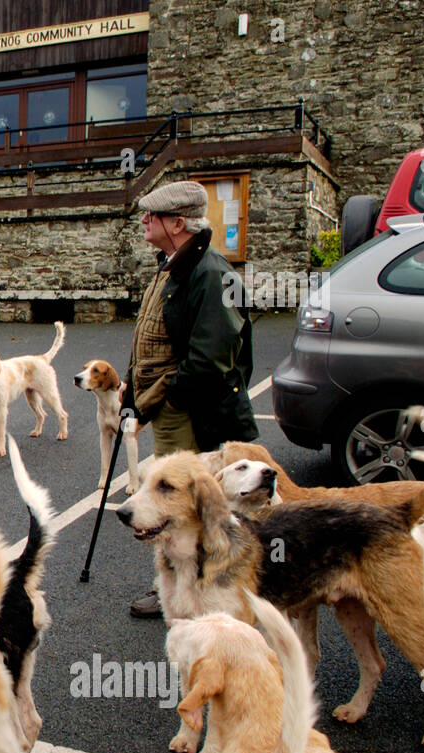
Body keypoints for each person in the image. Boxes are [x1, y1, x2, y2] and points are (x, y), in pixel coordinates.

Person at [123, 180, 258, 618]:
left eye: (152, 216)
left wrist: (159, 397)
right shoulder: (172, 265)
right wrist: (130, 386)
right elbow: (149, 336)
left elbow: (209, 359)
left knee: (192, 506)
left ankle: (219, 592)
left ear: (178, 223)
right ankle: (175, 584)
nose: (144, 221)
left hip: (193, 410)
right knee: (172, 507)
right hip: (170, 405)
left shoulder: (213, 273)